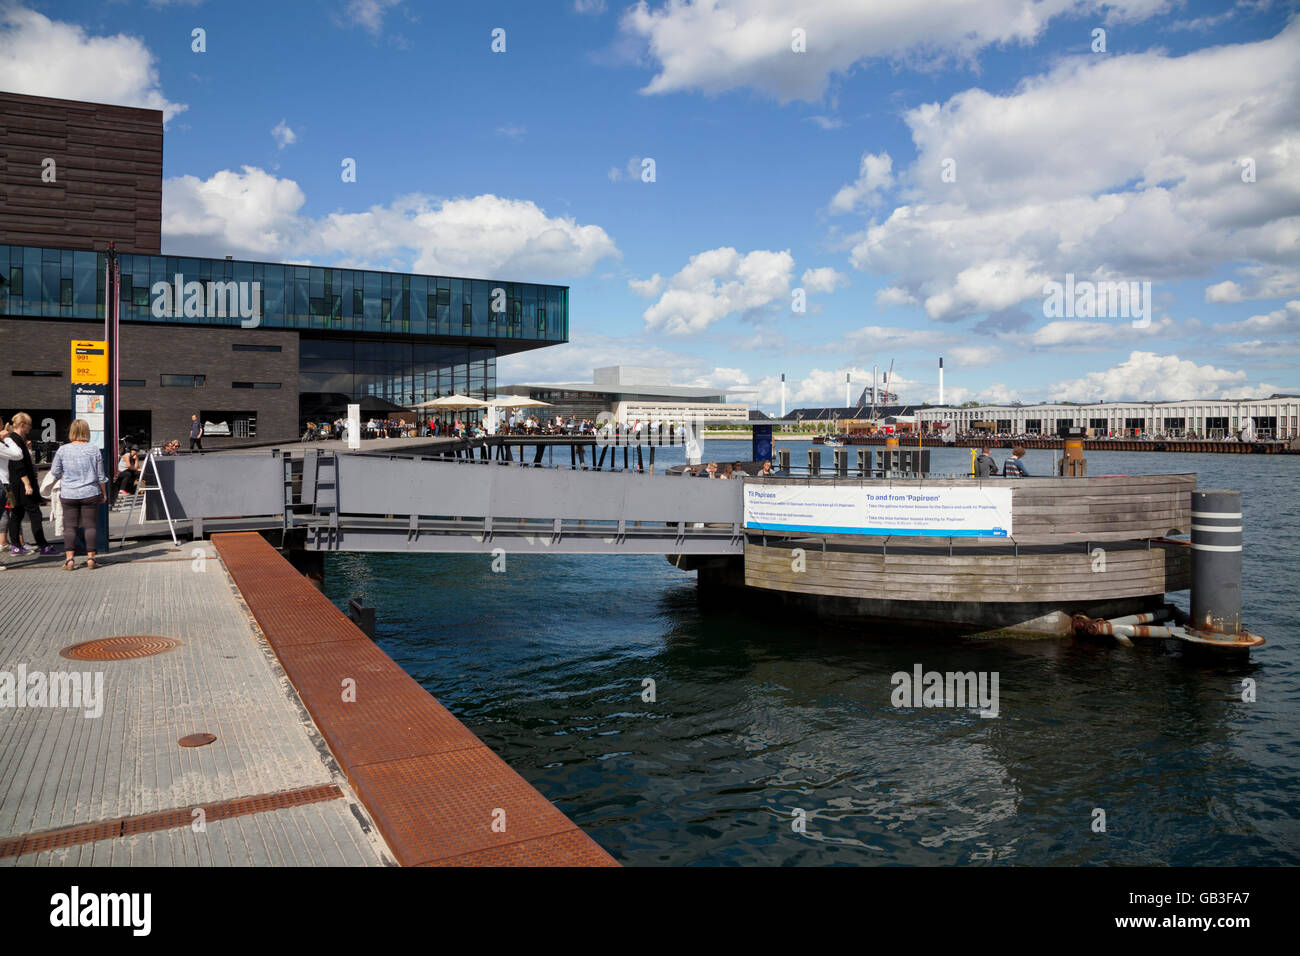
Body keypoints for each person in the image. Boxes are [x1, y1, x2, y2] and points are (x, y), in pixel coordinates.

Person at [49, 419, 108, 570]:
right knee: (90, 526)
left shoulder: (63, 450)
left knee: (70, 527)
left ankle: (69, 560)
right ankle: (91, 559)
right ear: (87, 432)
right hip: (90, 492)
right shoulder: (93, 449)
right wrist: (104, 493)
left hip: (69, 493)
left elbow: (55, 472)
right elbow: (101, 476)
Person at [1, 412, 57, 555]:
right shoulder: (14, 440)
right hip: (22, 483)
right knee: (34, 514)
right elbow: (19, 463)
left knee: (17, 514)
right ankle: (42, 545)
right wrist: (27, 484)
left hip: (15, 482)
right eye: (29, 425)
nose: (30, 428)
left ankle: (16, 545)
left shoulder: (16, 440)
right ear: (22, 425)